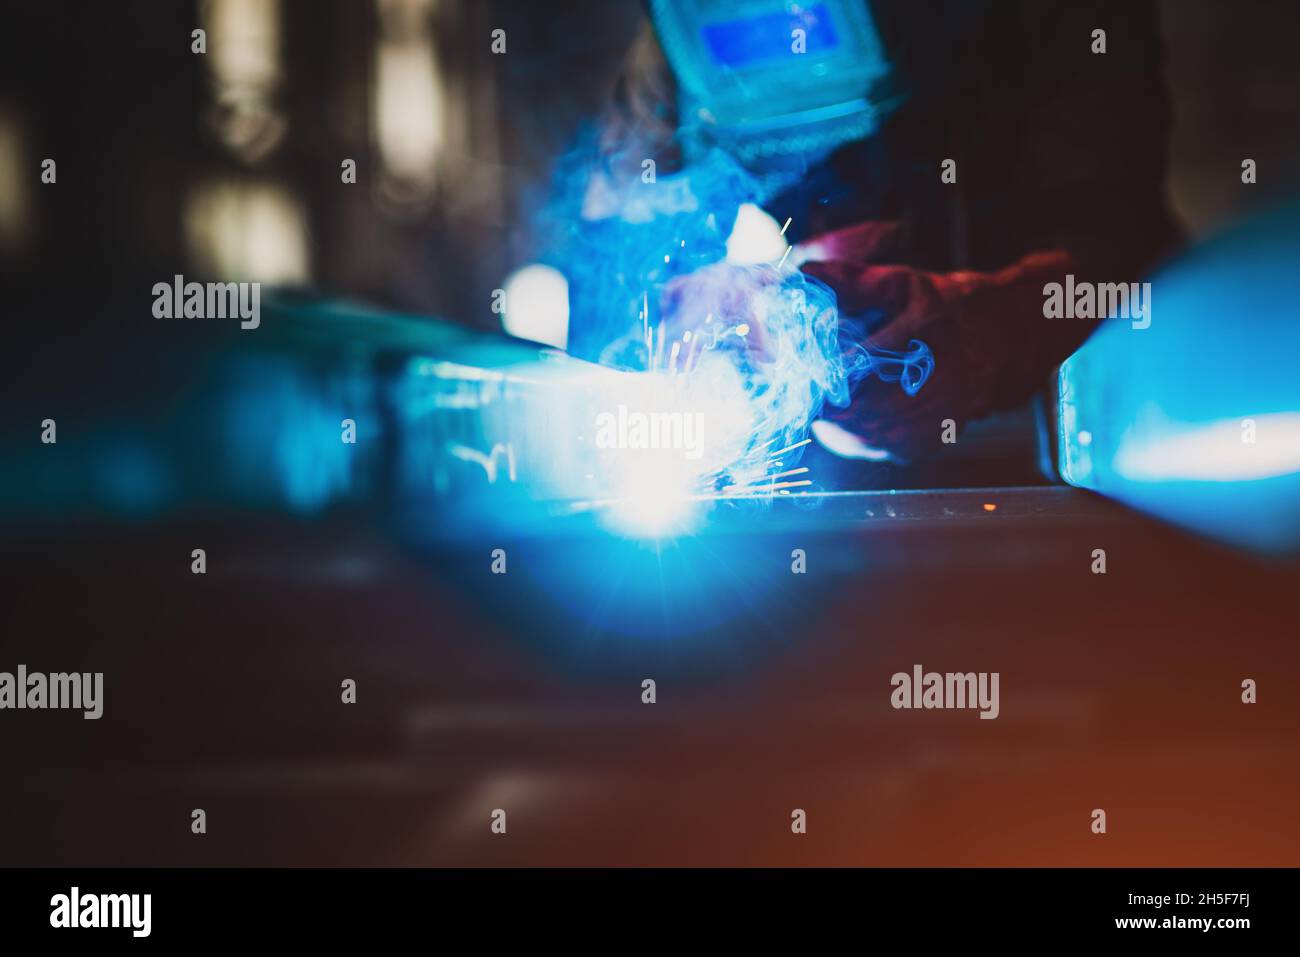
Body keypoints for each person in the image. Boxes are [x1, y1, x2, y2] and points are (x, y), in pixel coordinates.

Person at [589, 0, 1183, 461]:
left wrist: (983, 329)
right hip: (825, 480)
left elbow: (1124, 262)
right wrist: (687, 315)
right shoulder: (672, 47)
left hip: (1056, 442)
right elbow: (626, 257)